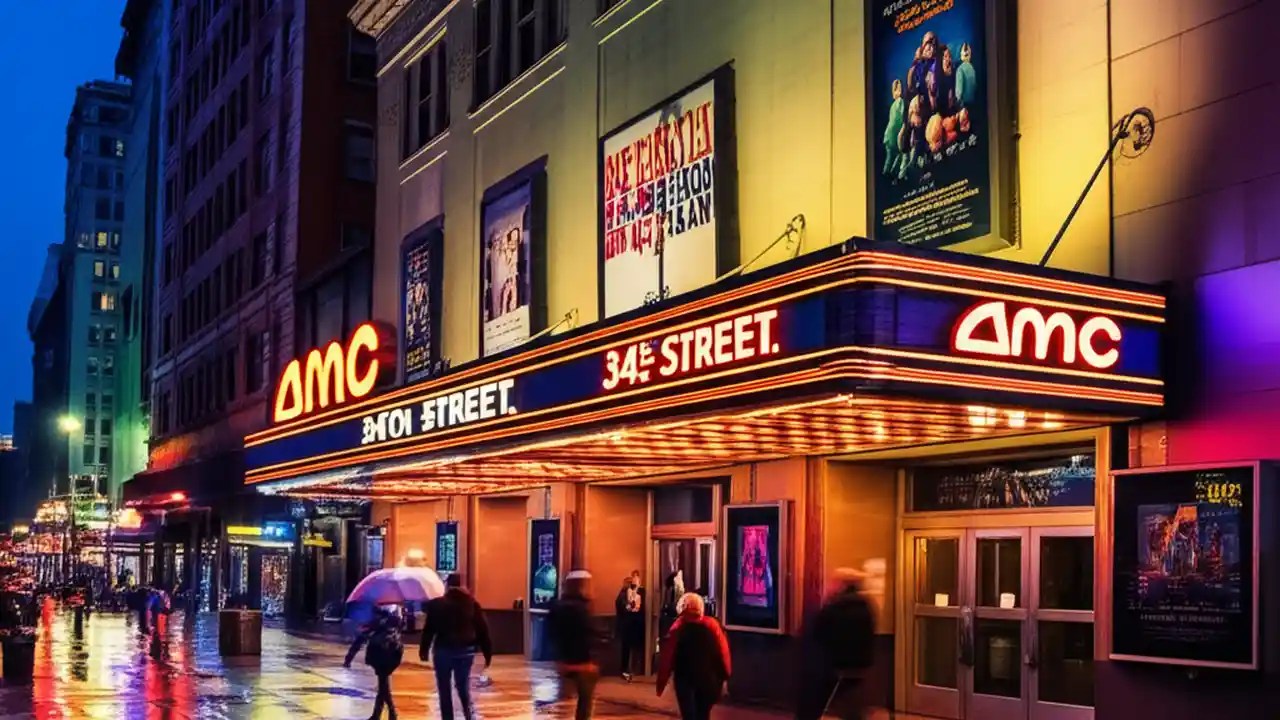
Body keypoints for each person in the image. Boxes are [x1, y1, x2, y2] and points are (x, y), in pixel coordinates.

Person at [795, 569, 876, 720]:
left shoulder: (836, 608)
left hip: (833, 667)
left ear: (842, 585)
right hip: (858, 667)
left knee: (814, 702)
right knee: (850, 704)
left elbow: (817, 632)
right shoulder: (865, 606)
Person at [419, 574, 493, 720]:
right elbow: (482, 629)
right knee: (462, 685)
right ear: (463, 586)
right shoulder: (472, 604)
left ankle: (448, 718)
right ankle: (468, 714)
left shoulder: (437, 604)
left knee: (444, 688)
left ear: (447, 586)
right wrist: (487, 653)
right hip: (465, 651)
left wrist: (424, 650)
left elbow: (429, 629)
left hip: (443, 651)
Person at [657, 593, 731, 720]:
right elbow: (723, 651)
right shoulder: (713, 625)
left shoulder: (677, 627)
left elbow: (667, 658)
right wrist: (725, 675)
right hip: (709, 680)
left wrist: (661, 683)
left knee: (689, 715)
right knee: (703, 714)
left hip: (685, 681)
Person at [547, 569, 599, 720]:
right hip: (582, 664)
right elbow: (586, 635)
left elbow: (553, 634)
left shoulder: (557, 607)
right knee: (585, 702)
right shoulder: (582, 608)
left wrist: (560, 658)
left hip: (564, 661)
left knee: (562, 701)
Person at [346, 606, 404, 720]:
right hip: (393, 652)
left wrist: (349, 657)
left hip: (381, 653)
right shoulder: (397, 615)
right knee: (383, 685)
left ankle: (390, 714)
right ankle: (381, 715)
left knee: (383, 686)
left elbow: (364, 635)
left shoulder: (379, 617)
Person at [614, 571, 643, 681]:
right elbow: (627, 608)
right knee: (629, 649)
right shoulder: (624, 595)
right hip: (629, 625)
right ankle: (628, 670)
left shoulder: (624, 595)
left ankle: (627, 670)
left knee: (627, 649)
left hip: (628, 625)